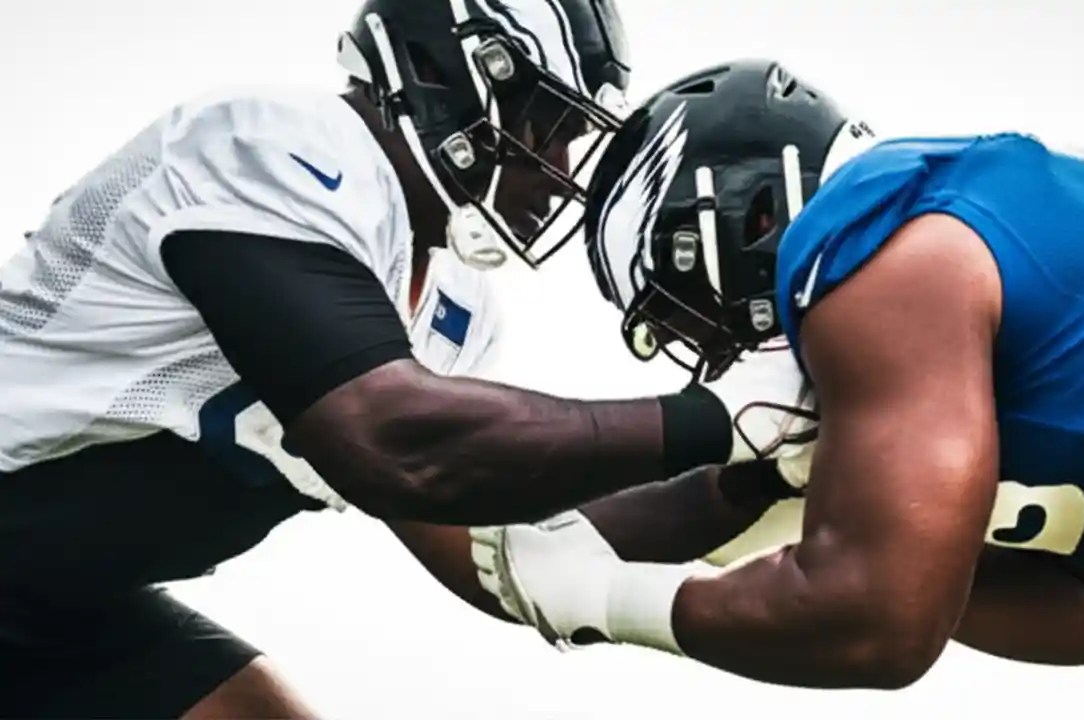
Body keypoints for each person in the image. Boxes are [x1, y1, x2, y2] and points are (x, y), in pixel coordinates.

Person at [0, 4, 804, 716]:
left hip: (59, 606)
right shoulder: (274, 141)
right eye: (543, 121)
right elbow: (387, 438)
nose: (561, 168)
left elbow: (523, 553)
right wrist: (717, 416)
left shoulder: (451, 311)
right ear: (434, 69)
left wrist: (761, 462)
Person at [469, 58, 1084, 719]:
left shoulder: (873, 253)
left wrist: (611, 598)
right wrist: (899, 532)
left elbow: (884, 628)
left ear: (746, 222)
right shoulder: (957, 245)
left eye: (693, 316)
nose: (714, 353)